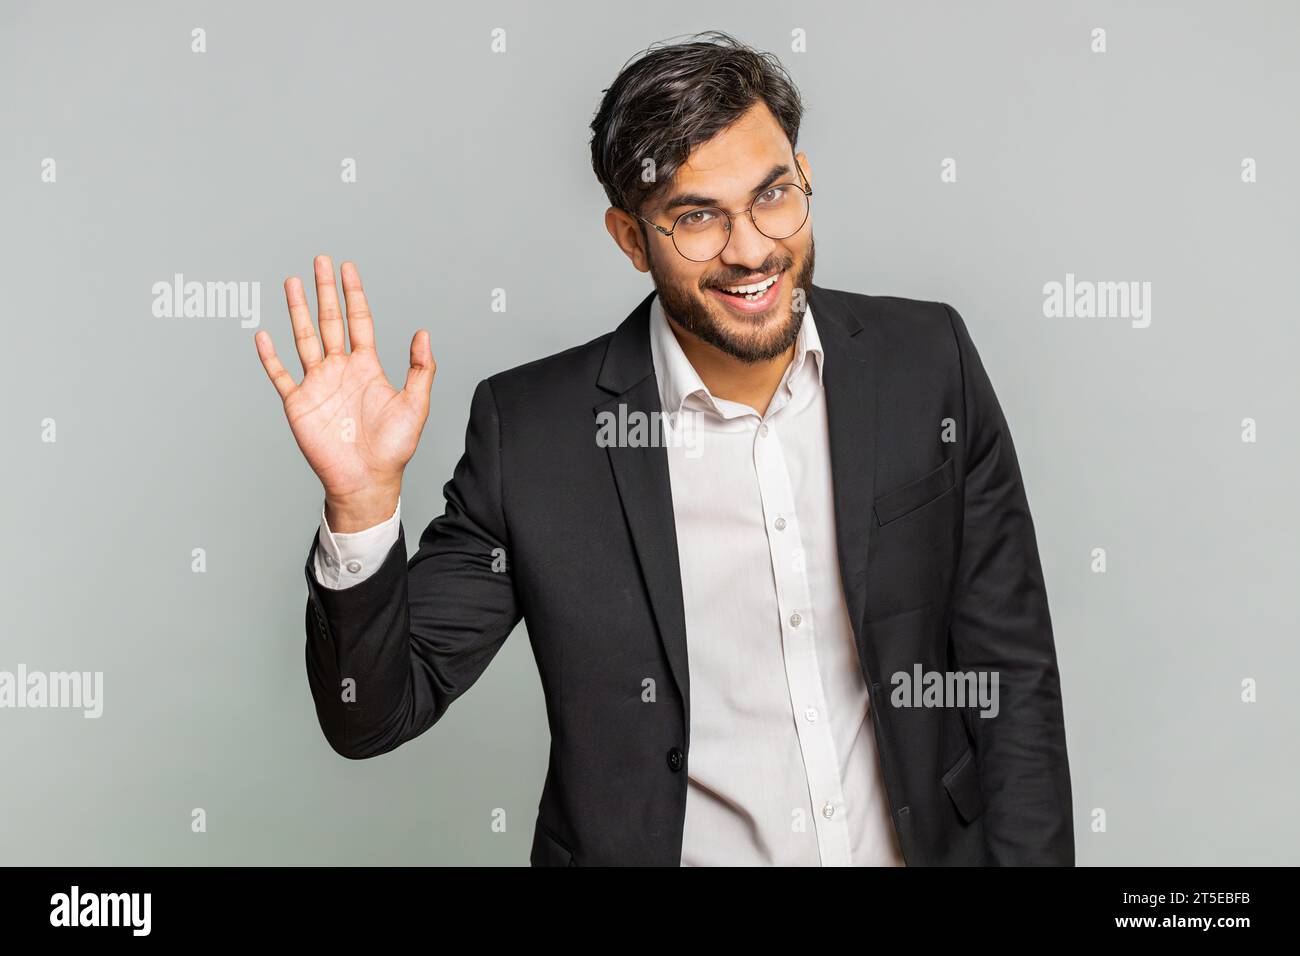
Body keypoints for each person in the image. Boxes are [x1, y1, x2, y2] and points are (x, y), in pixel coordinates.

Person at [254, 31, 1073, 866]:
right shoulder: (534, 437)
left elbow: (1012, 676)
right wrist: (361, 507)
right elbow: (373, 714)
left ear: (805, 180)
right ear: (630, 237)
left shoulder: (926, 363)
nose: (751, 248)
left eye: (772, 195)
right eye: (696, 218)